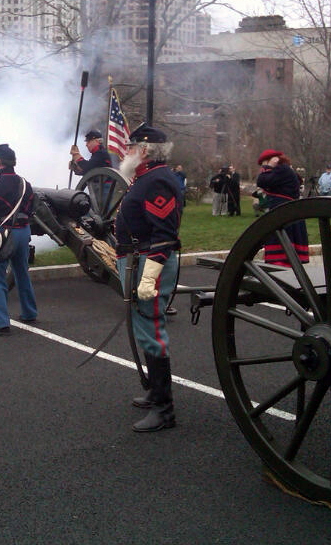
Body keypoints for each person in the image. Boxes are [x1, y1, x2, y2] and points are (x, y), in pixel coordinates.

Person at [114, 123, 182, 432]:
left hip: (148, 263)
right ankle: (155, 392)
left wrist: (149, 276)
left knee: (152, 328)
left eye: (130, 148)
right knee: (144, 328)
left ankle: (164, 410)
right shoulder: (146, 178)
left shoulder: (157, 181)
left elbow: (164, 234)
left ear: (144, 151)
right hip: (135, 260)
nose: (125, 152)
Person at [0, 144, 37, 336]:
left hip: (4, 236)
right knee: (21, 272)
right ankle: (29, 312)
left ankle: (0, 323)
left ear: (0, 163)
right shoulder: (25, 184)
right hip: (23, 233)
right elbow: (31, 209)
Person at [256, 149, 309, 266]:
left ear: (274, 160)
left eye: (265, 162)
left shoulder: (283, 169)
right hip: (283, 212)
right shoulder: (282, 171)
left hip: (284, 214)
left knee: (281, 257)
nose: (263, 166)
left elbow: (262, 181)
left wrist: (269, 166)